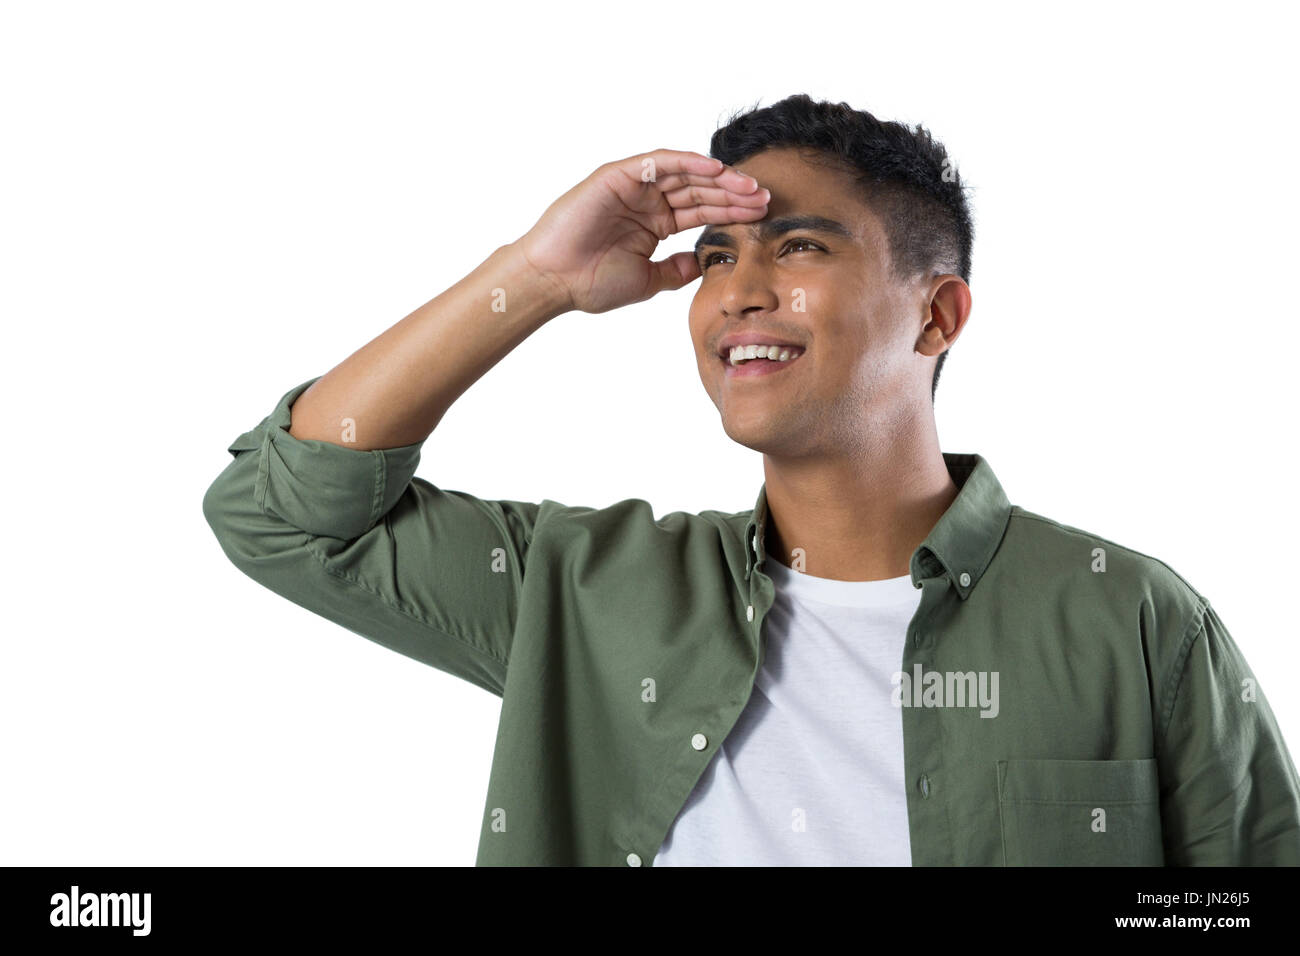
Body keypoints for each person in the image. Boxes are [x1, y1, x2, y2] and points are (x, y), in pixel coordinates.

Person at [202, 93, 1300, 865]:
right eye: (718, 257)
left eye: (800, 248)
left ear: (937, 310)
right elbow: (286, 514)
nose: (737, 291)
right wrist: (533, 278)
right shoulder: (582, 594)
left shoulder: (1132, 615)